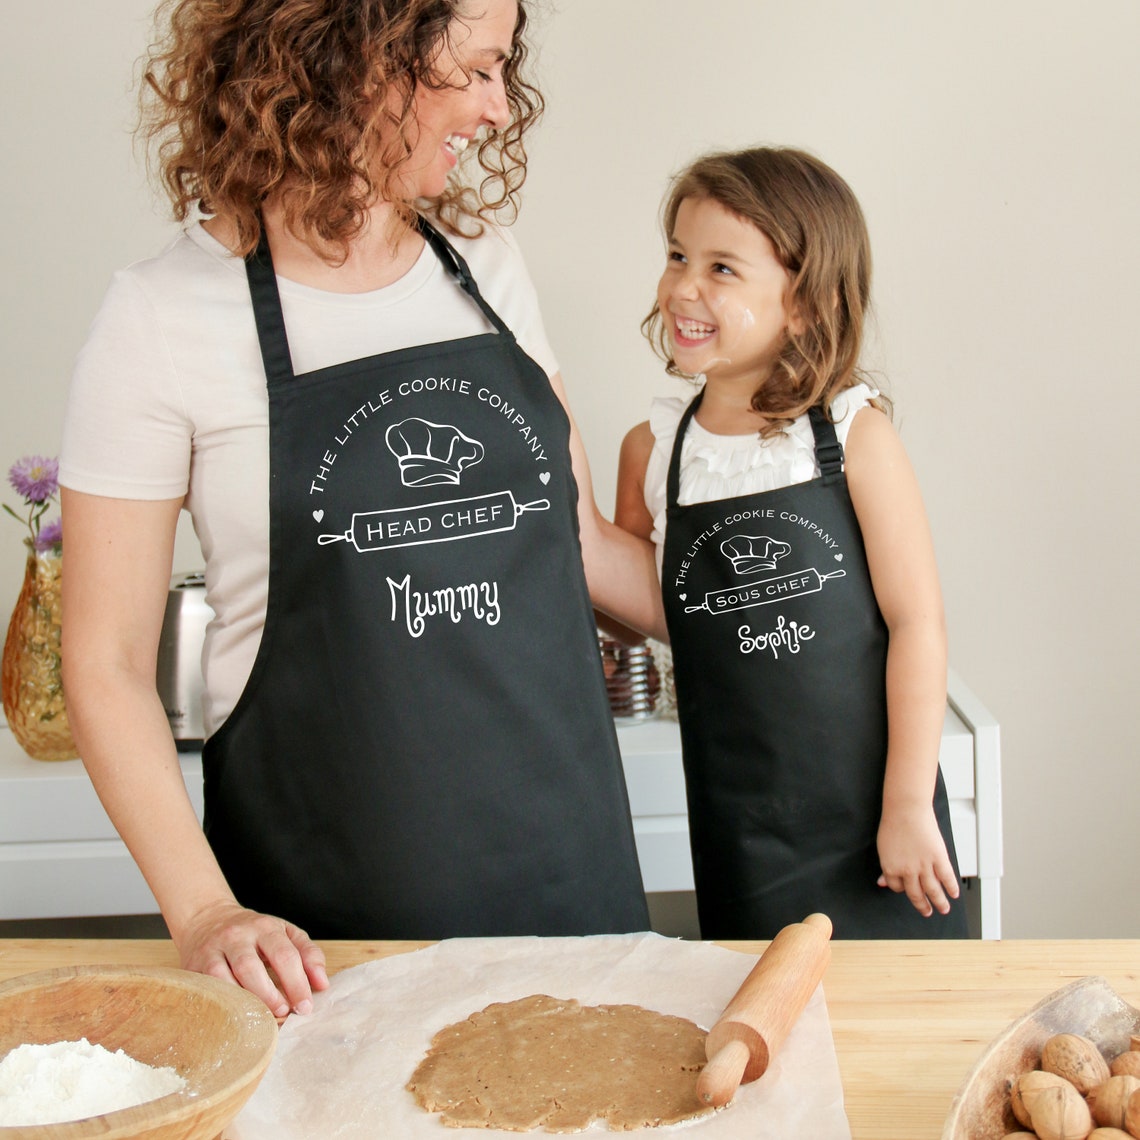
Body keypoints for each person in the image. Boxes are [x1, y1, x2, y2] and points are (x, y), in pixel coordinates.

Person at [59, 0, 663, 1019]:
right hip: (330, 941)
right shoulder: (161, 316)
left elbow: (587, 548)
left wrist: (824, 628)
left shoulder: (488, 274)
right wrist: (205, 913)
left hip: (573, 884)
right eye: (474, 71)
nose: (499, 106)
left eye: (503, 70)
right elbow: (105, 666)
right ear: (365, 61)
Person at [614, 146, 968, 939]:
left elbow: (918, 623)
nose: (682, 288)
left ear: (803, 304)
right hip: (741, 833)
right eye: (677, 256)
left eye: (722, 268)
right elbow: (661, 613)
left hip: (876, 818)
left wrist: (908, 804)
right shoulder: (654, 450)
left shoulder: (855, 435)